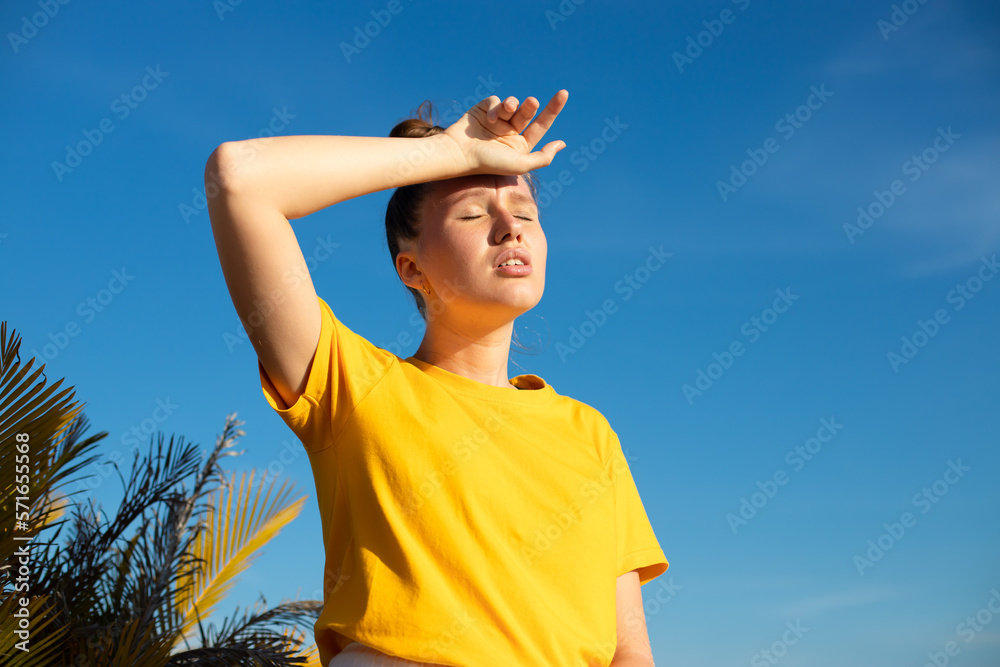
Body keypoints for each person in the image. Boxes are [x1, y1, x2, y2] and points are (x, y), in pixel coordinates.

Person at [205, 89, 669, 667]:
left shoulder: (588, 433)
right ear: (411, 267)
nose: (511, 230)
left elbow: (629, 648)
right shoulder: (355, 386)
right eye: (474, 213)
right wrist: (451, 153)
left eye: (525, 214)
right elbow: (240, 178)